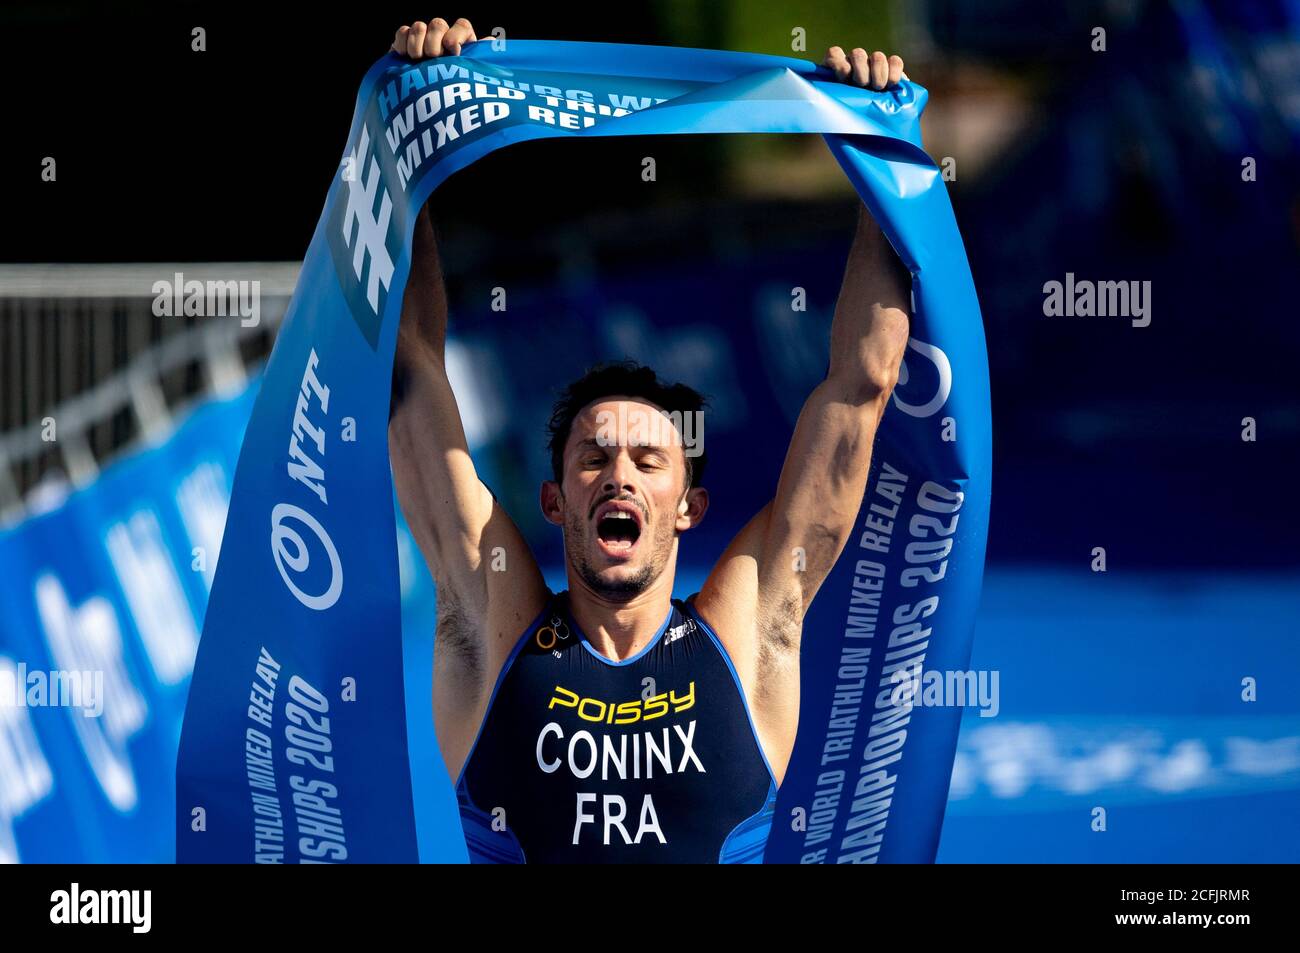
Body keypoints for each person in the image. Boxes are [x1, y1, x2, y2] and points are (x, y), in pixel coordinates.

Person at [387, 17, 912, 862]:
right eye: (592, 457)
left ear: (689, 506)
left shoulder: (749, 633)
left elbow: (860, 390)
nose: (617, 475)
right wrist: (408, 148)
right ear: (554, 500)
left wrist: (878, 157)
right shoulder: (498, 628)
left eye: (648, 458)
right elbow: (408, 376)